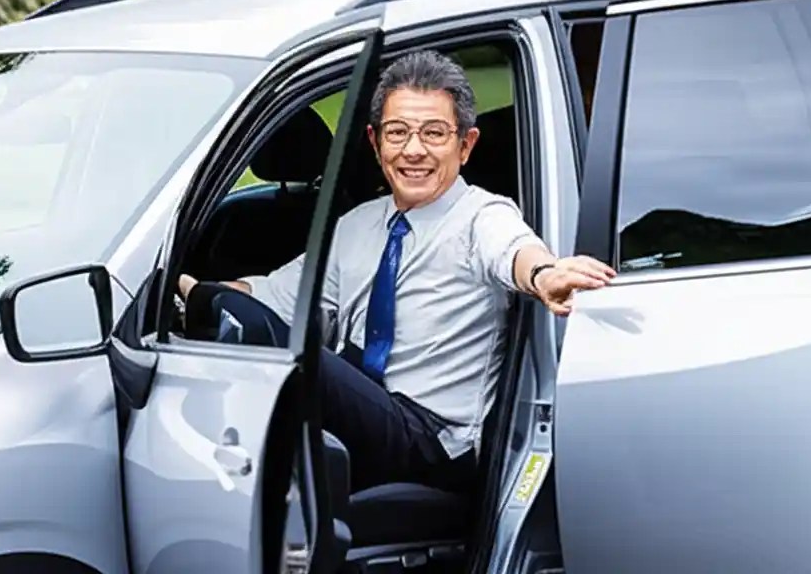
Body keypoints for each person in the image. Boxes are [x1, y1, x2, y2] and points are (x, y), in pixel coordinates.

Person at [178, 49, 615, 495]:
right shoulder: (356, 225)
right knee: (246, 332)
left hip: (437, 442)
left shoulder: (481, 215)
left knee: (295, 355)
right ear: (375, 142)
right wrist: (187, 291)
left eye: (434, 133)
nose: (413, 150)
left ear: (466, 145)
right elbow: (273, 295)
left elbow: (515, 251)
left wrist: (544, 275)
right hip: (373, 417)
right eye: (398, 132)